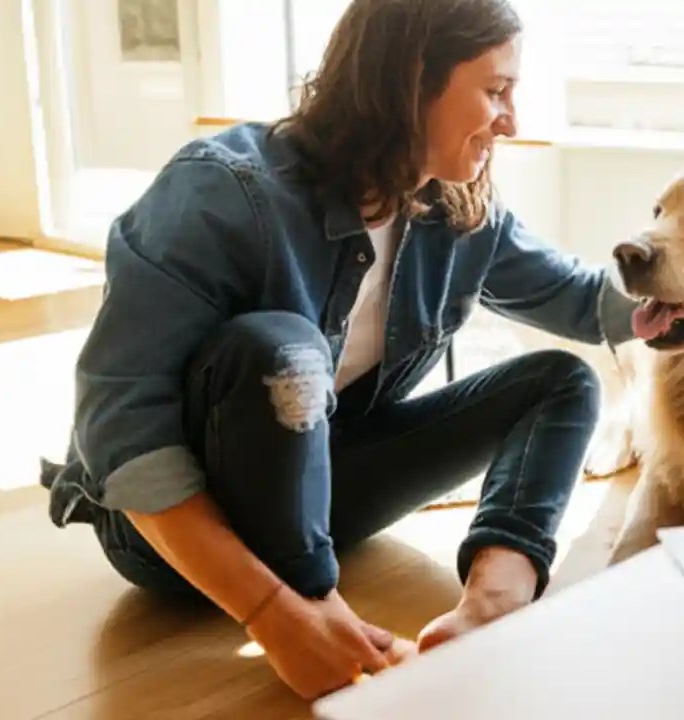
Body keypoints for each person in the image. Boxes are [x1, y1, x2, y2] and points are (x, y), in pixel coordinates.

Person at [40, 0, 637, 701]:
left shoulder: (457, 208)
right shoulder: (225, 189)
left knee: (562, 381)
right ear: (414, 78)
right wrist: (279, 616)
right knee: (283, 350)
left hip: (317, 496)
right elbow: (120, 426)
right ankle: (309, 595)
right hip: (171, 539)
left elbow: (588, 303)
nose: (512, 120)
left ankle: (495, 604)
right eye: (496, 90)